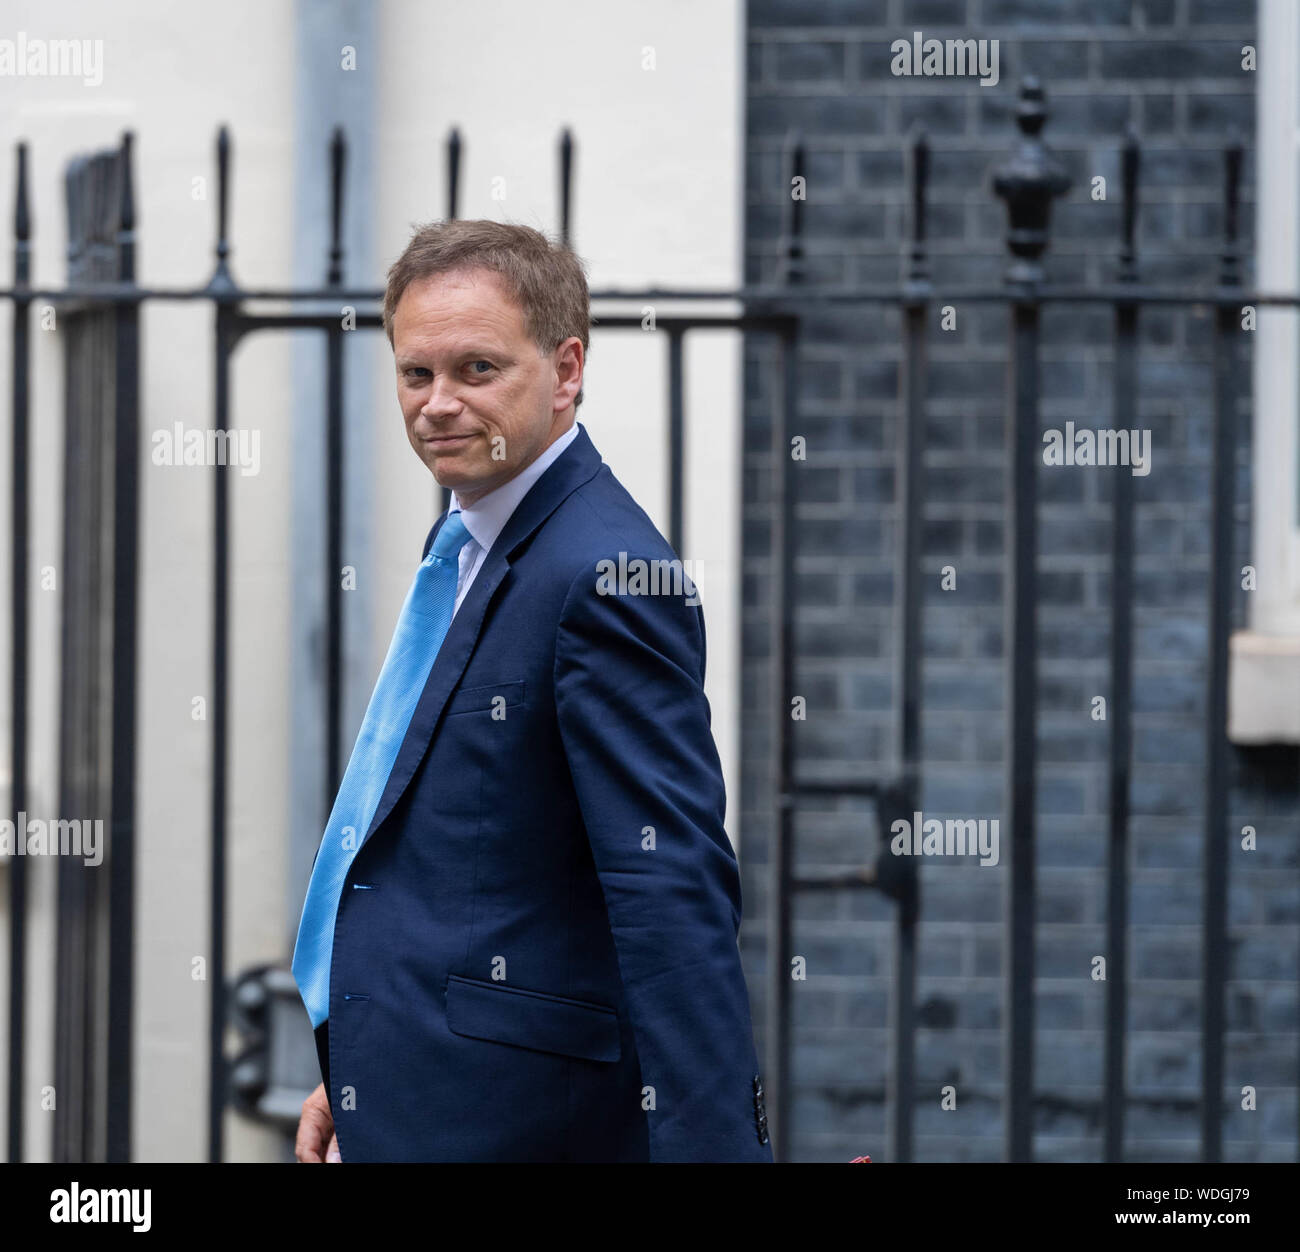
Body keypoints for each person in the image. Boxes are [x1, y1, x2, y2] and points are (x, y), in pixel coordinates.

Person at [291, 219, 771, 1162]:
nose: (437, 404)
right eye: (415, 373)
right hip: (421, 1095)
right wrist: (367, 1072)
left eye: (476, 370)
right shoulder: (473, 541)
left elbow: (667, 888)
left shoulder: (607, 573)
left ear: (566, 371)